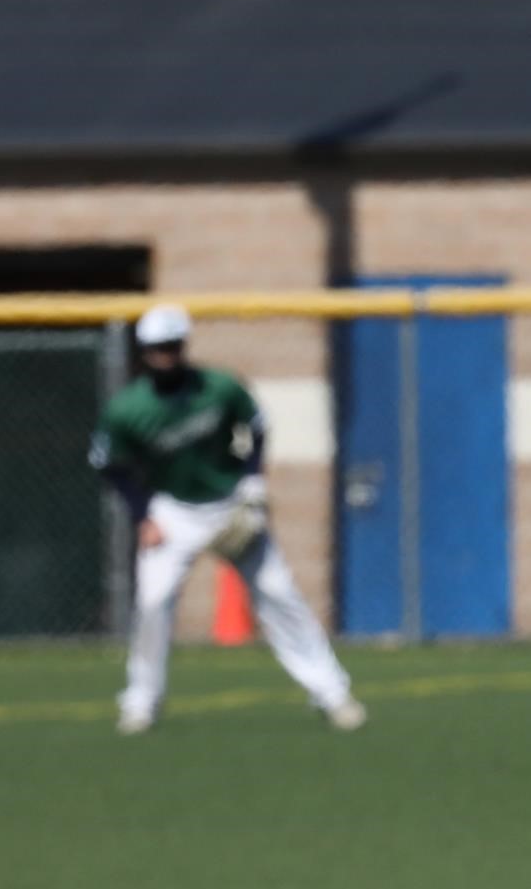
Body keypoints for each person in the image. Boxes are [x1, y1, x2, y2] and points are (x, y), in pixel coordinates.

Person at [90, 303, 365, 735]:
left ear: (183, 345)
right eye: (155, 348)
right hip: (173, 512)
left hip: (229, 503)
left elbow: (256, 427)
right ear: (143, 352)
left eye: (171, 346)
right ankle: (141, 701)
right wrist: (144, 514)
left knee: (279, 594)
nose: (164, 355)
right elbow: (109, 464)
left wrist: (252, 483)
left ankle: (332, 693)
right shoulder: (128, 408)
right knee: (152, 603)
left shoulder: (219, 388)